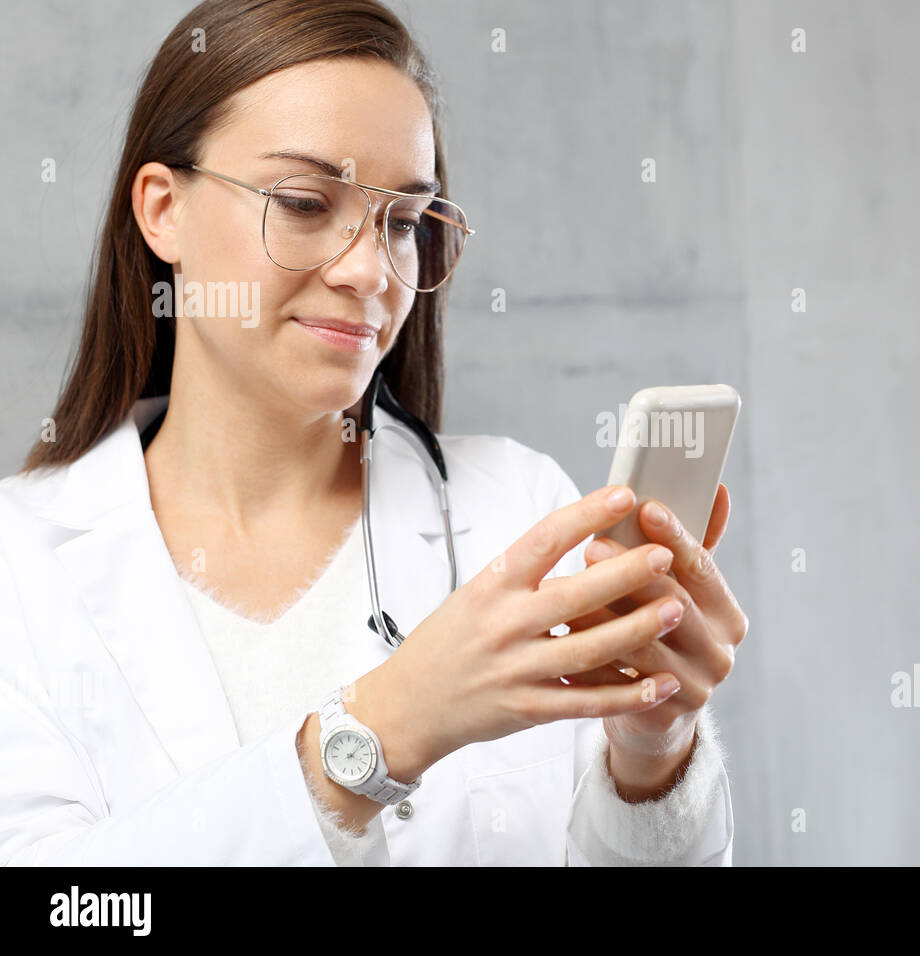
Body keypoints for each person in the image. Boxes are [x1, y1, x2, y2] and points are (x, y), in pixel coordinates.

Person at [0, 0, 747, 866]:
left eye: (400, 222)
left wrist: (652, 756)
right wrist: (377, 736)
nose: (369, 270)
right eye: (306, 202)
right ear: (164, 210)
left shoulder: (519, 510)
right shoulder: (21, 566)